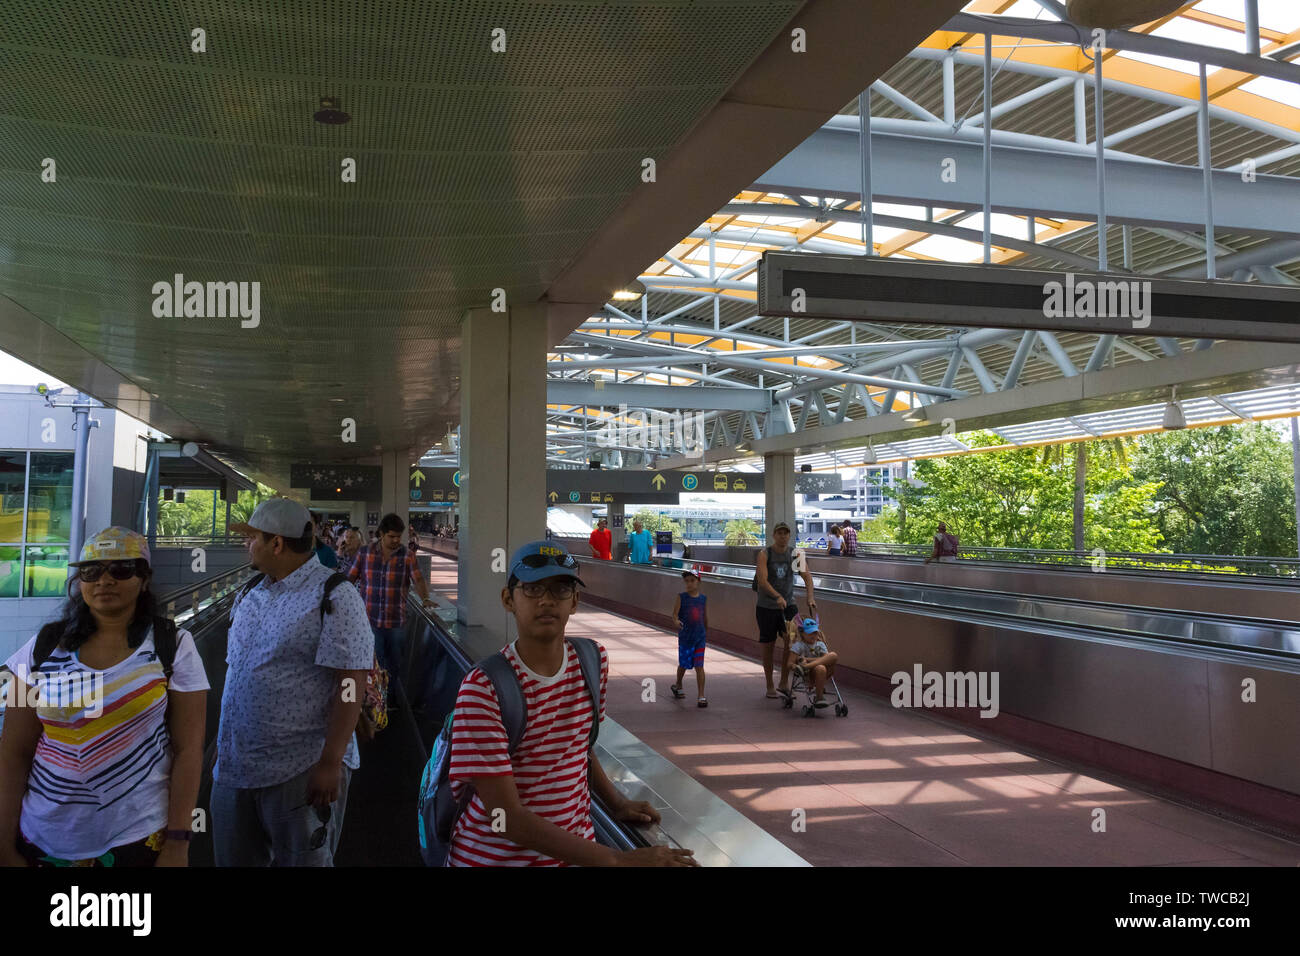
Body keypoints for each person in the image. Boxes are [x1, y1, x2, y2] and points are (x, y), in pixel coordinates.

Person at [447, 541, 695, 867]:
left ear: (575, 602)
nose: (547, 600)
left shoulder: (592, 660)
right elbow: (504, 817)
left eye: (560, 589)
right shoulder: (484, 688)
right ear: (509, 600)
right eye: (533, 589)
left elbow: (576, 746)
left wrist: (616, 801)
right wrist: (618, 861)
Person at [0, 527, 208, 867]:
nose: (104, 580)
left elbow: (188, 751)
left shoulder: (173, 645)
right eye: (91, 571)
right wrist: (2, 843)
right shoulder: (43, 647)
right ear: (80, 581)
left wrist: (178, 843)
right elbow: (13, 752)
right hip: (44, 838)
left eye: (121, 569)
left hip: (139, 837)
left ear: (143, 579)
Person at [212, 499, 373, 867]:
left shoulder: (334, 595)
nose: (245, 544)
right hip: (237, 766)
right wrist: (225, 746)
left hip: (299, 769)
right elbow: (238, 671)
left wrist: (331, 762)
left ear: (277, 543)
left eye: (252, 537)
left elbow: (351, 681)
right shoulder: (252, 591)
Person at [347, 512, 434, 676]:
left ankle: (392, 698)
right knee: (374, 666)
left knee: (395, 666)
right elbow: (349, 579)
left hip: (396, 623)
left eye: (398, 536)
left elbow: (419, 580)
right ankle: (379, 700)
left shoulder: (407, 556)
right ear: (381, 534)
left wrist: (426, 599)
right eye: (391, 536)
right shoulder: (365, 553)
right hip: (370, 622)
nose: (396, 540)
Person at [754, 521, 816, 700]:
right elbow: (762, 581)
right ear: (774, 535)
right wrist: (776, 596)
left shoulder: (795, 554)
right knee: (769, 646)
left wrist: (810, 597)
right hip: (766, 606)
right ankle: (769, 685)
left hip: (789, 604)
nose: (783, 536)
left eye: (786, 533)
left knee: (792, 642)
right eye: (780, 533)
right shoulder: (765, 554)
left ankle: (783, 681)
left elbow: (807, 576)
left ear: (789, 536)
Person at [669, 566, 708, 708]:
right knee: (684, 664)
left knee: (699, 665)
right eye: (687, 581)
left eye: (692, 580)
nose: (689, 584)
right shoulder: (681, 597)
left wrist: (706, 631)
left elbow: (705, 617)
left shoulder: (703, 599)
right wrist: (676, 621)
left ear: (698, 582)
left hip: (700, 638)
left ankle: (701, 695)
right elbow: (674, 614)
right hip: (686, 638)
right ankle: (678, 684)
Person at [787, 617, 839, 709]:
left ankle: (807, 666)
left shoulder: (820, 644)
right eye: (810, 632)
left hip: (824, 673)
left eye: (815, 632)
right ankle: (819, 697)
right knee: (821, 667)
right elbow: (789, 663)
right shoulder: (798, 646)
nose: (813, 635)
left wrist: (806, 660)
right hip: (809, 675)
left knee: (833, 655)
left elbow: (827, 659)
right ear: (802, 634)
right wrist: (795, 666)